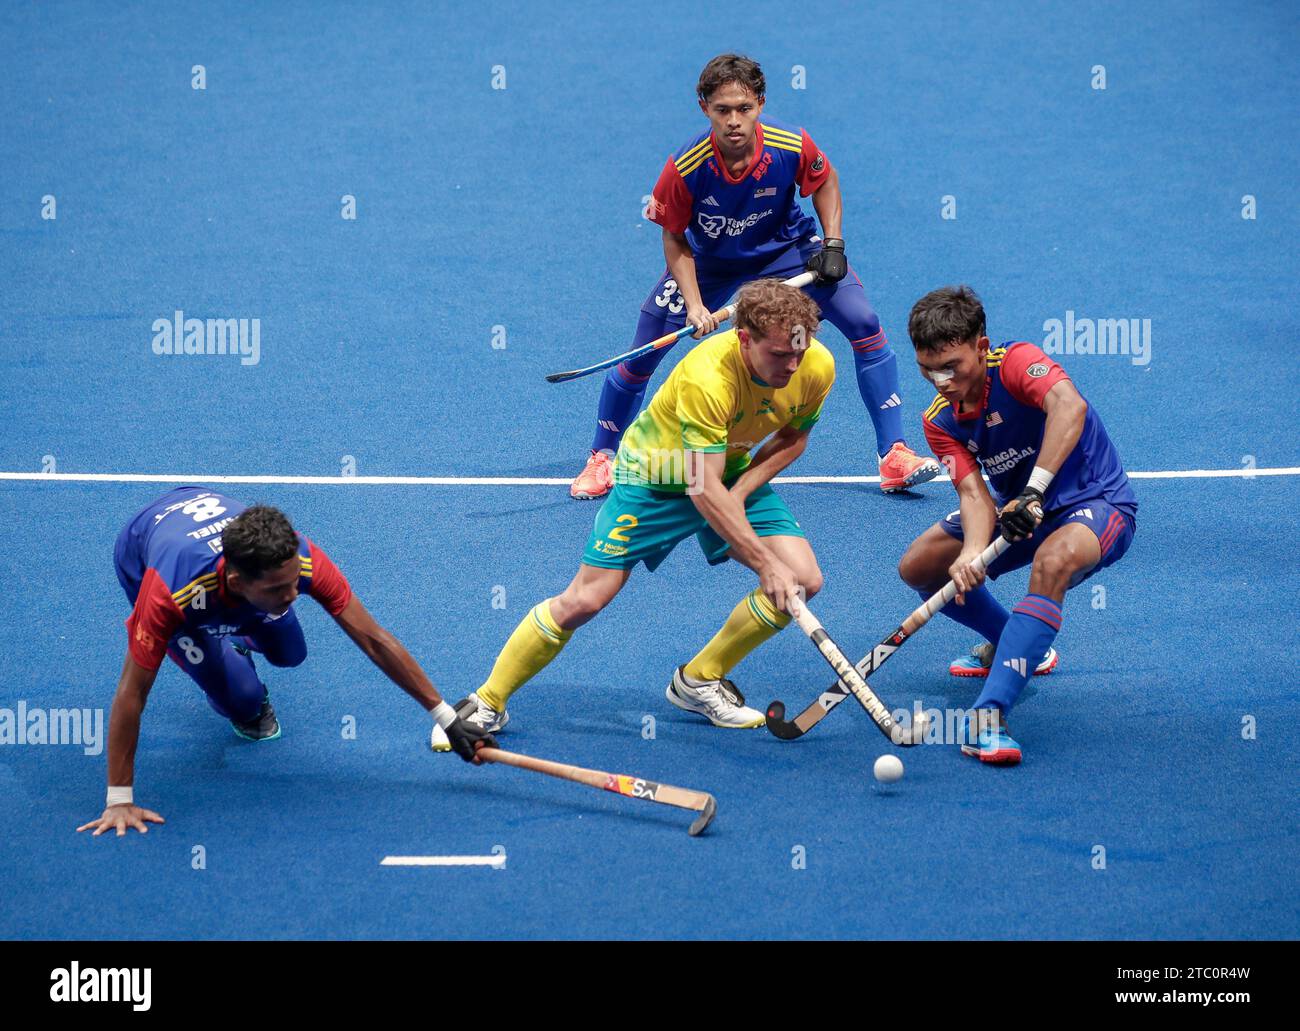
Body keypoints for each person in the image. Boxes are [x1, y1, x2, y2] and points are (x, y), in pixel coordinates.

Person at [435, 280, 832, 747]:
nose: (793, 366)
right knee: (585, 599)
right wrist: (765, 564)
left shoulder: (816, 365)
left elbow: (793, 439)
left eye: (799, 353)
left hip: (725, 469)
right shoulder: (708, 377)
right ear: (744, 338)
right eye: (780, 354)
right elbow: (699, 486)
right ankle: (485, 702)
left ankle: (699, 680)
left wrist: (742, 491)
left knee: (801, 579)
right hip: (656, 476)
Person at [569, 52, 939, 501]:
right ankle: (602, 456)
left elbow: (824, 182)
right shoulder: (685, 169)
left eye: (744, 109)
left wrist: (834, 243)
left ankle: (893, 455)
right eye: (722, 110)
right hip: (709, 263)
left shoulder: (789, 144)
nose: (734, 121)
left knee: (864, 324)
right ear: (704, 107)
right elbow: (675, 239)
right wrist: (695, 304)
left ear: (760, 103)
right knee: (642, 356)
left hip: (788, 250)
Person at [79, 489, 492, 837]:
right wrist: (120, 798)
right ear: (239, 582)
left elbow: (374, 639)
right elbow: (132, 692)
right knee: (243, 702)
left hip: (218, 551)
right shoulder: (168, 592)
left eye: (296, 581)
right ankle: (216, 645)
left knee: (291, 653)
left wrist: (444, 716)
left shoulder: (298, 557)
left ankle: (234, 632)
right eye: (280, 588)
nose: (296, 593)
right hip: (144, 555)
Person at [897, 286, 1137, 764]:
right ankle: (1014, 643)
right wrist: (970, 555)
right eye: (928, 369)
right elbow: (972, 494)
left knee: (1052, 564)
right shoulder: (940, 421)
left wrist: (1034, 491)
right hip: (1017, 516)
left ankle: (987, 717)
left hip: (1093, 503)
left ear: (981, 349)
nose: (940, 380)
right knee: (921, 567)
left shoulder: (1016, 362)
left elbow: (1070, 408)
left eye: (952, 367)